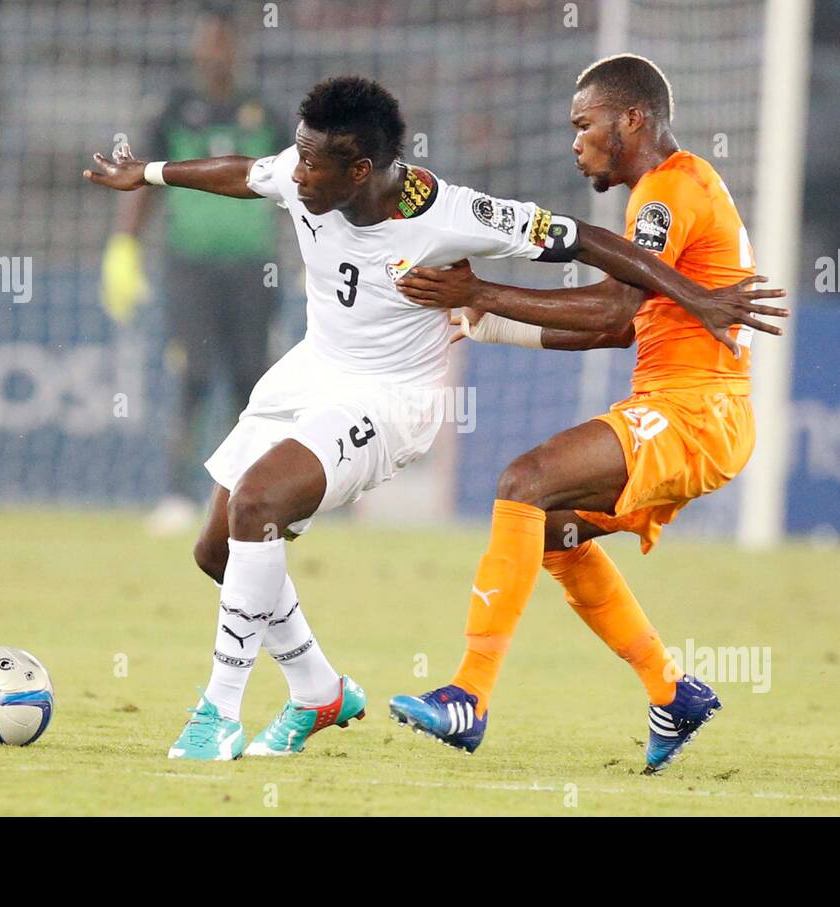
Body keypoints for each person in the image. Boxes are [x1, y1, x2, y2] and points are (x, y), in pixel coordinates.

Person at [83, 74, 785, 761]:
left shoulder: (467, 214)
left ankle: (244, 710)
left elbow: (600, 284)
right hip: (309, 372)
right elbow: (244, 172)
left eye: (583, 125)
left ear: (360, 170)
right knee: (220, 550)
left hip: (395, 399)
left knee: (507, 484)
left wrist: (683, 295)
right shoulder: (304, 175)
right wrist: (145, 173)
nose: (294, 173)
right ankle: (321, 689)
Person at [390, 54, 786, 773]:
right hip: (686, 411)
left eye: (584, 124)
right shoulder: (673, 190)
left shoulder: (667, 195)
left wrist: (480, 290)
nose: (576, 142)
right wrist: (488, 316)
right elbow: (615, 326)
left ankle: (468, 698)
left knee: (522, 480)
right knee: (542, 529)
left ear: (630, 119)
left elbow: (611, 307)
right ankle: (671, 690)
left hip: (696, 412)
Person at [100, 11, 281, 535]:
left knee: (252, 384)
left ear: (237, 48)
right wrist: (122, 248)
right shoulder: (173, 109)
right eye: (206, 43)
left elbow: (295, 186)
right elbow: (143, 182)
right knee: (194, 378)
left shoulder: (265, 111)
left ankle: (241, 495)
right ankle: (178, 495)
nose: (214, 52)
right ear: (197, 49)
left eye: (222, 42)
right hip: (190, 266)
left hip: (255, 267)